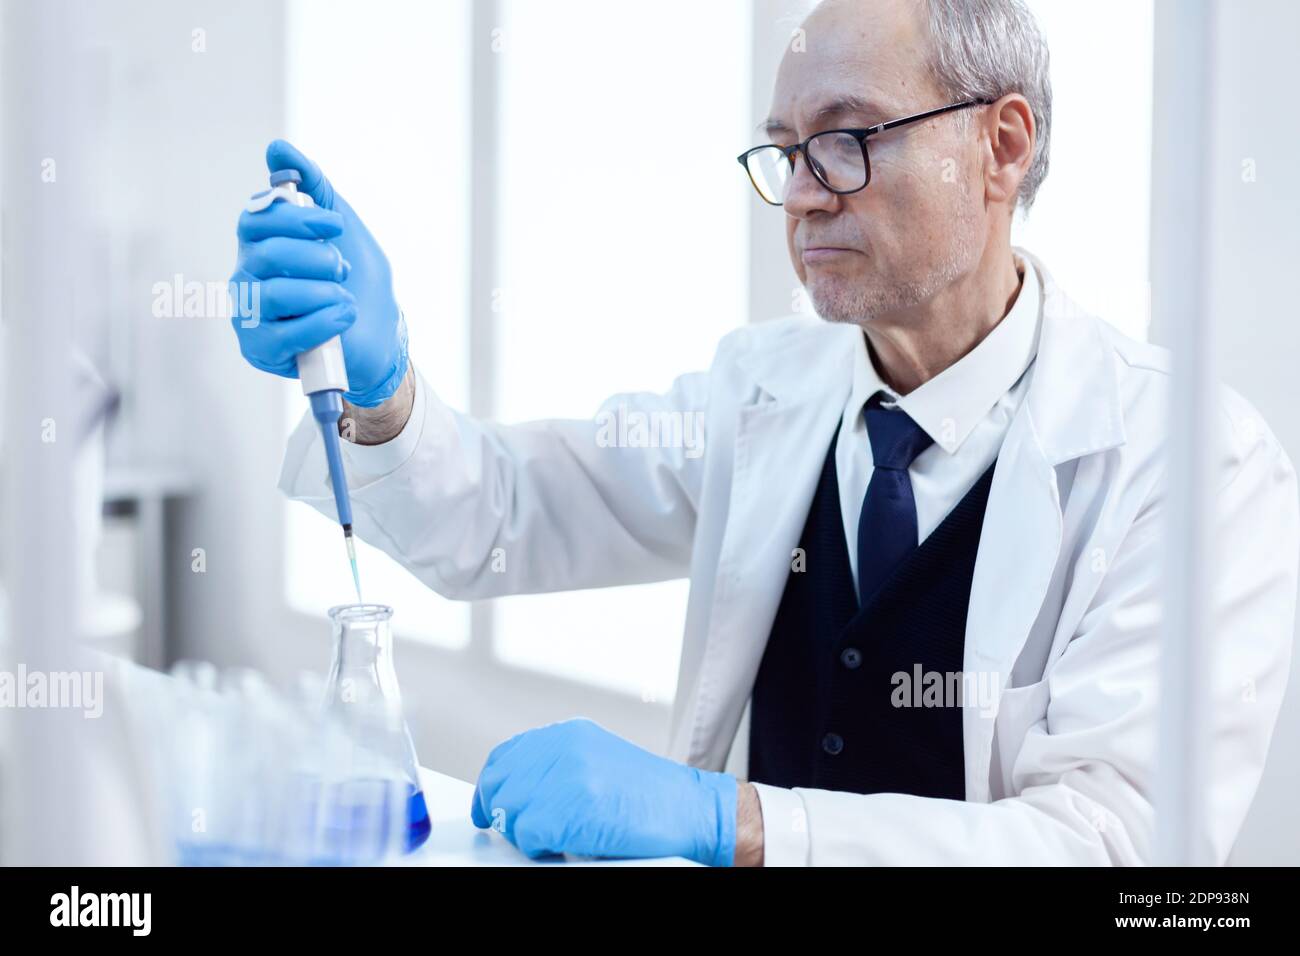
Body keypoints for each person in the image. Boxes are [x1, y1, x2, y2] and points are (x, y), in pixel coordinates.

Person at [229, 0, 1298, 866]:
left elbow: (1111, 852)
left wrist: (729, 821)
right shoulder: (762, 390)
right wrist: (383, 386)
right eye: (783, 152)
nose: (798, 196)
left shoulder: (1193, 465)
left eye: (841, 140)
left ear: (1000, 144)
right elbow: (504, 514)